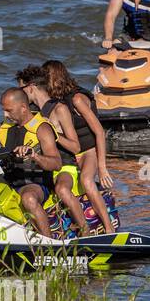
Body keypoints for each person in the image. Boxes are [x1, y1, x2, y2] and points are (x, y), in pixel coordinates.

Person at [0, 88, 66, 236]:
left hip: (34, 184)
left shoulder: (42, 128)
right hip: (6, 181)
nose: (5, 115)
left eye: (9, 110)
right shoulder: (2, 128)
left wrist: (34, 156)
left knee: (28, 198)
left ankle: (48, 244)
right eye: (3, 110)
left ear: (23, 108)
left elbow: (56, 163)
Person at [17, 66, 94, 237]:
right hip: (43, 170)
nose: (19, 94)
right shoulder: (33, 113)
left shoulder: (60, 109)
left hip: (65, 167)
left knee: (62, 190)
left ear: (30, 88)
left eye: (21, 89)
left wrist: (53, 133)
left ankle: (85, 232)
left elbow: (76, 146)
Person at [43, 58, 114, 228]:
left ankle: (108, 226)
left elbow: (99, 131)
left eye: (45, 80)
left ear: (54, 79)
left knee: (87, 180)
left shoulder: (77, 100)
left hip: (89, 151)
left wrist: (102, 168)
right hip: (71, 154)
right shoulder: (56, 102)